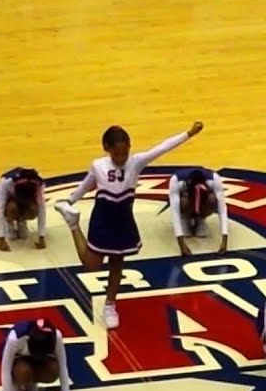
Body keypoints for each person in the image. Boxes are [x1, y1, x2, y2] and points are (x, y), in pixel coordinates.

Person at [53, 121, 204, 329]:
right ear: (106, 149)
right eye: (117, 154)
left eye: (125, 153)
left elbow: (162, 148)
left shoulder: (136, 162)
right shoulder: (98, 165)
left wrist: (188, 134)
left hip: (123, 219)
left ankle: (110, 305)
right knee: (90, 265)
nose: (122, 158)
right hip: (103, 218)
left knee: (117, 264)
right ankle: (73, 223)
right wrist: (70, 201)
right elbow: (87, 184)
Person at [0, 319, 71, 391]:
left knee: (53, 369)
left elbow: (63, 365)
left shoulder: (56, 336)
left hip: (34, 358)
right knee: (23, 372)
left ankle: (31, 383)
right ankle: (17, 385)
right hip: (17, 359)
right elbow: (5, 369)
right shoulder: (15, 339)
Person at [168, 167, 229, 256]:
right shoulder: (175, 180)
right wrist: (181, 244)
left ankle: (200, 219)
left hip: (203, 203)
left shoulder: (215, 179)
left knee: (212, 200)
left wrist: (225, 241)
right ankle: (185, 219)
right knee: (182, 202)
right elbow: (175, 211)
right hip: (186, 202)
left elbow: (222, 209)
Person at [0, 167, 47, 251]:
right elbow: (0, 208)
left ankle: (21, 220)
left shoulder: (39, 184)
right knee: (12, 207)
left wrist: (42, 237)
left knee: (34, 209)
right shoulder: (5, 182)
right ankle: (9, 222)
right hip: (11, 203)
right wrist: (1, 239)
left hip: (26, 202)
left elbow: (42, 209)